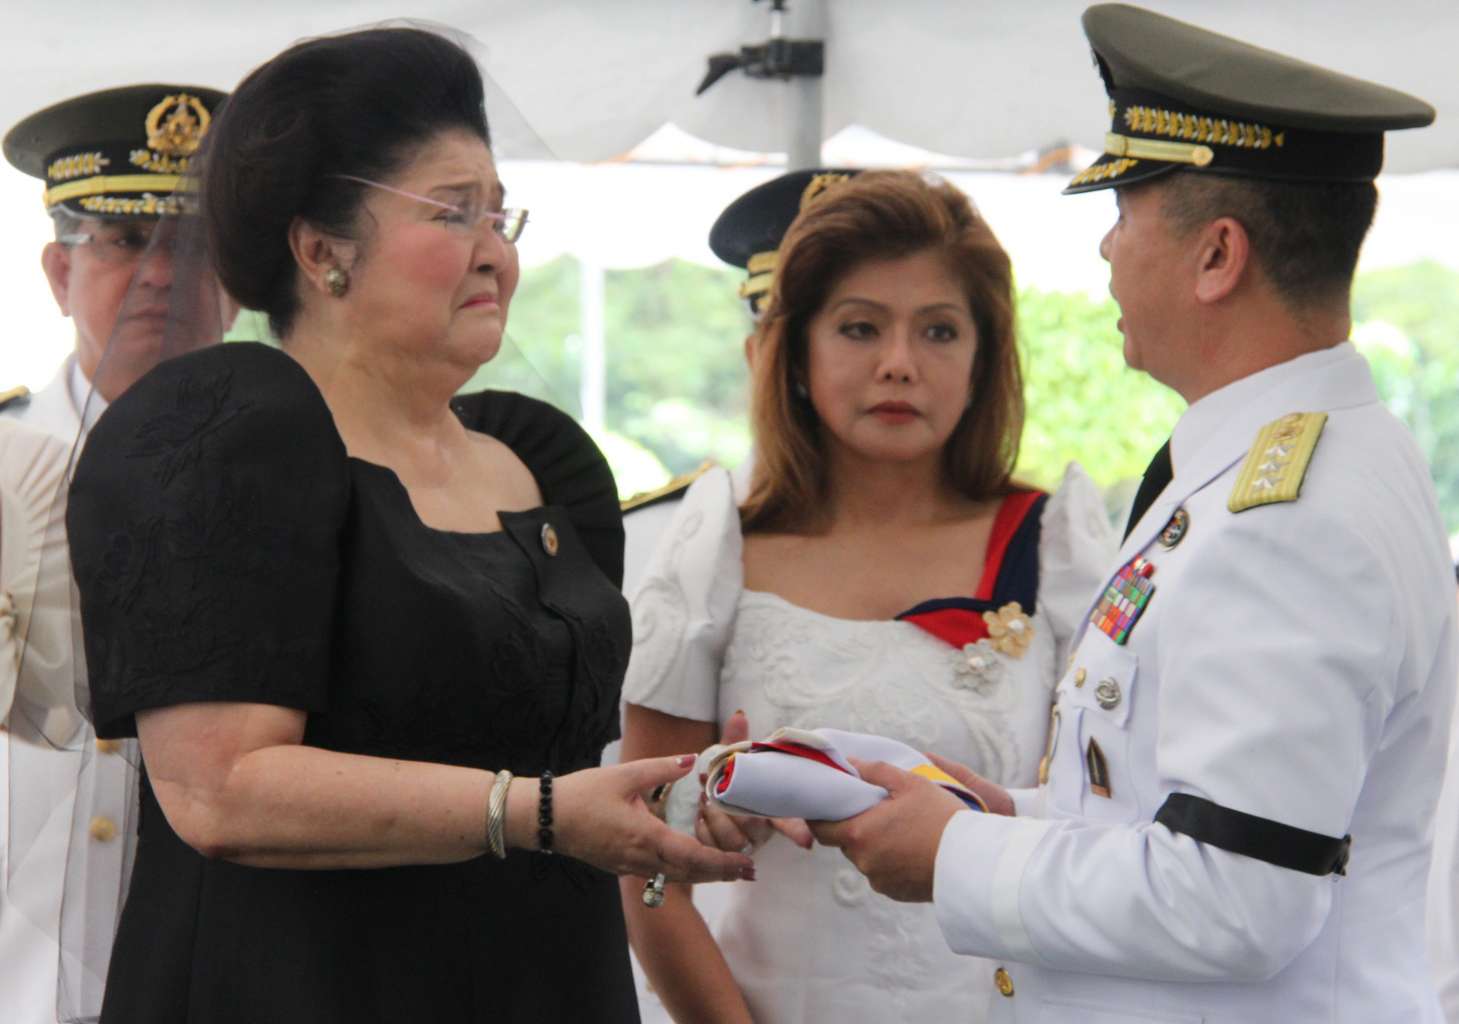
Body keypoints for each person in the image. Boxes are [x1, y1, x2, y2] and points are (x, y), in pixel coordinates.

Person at [63, 27, 752, 1024]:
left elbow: (556, 760)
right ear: (320, 249)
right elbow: (218, 791)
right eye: (451, 210)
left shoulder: (537, 462)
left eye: (500, 212)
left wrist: (668, 797)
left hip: (542, 980)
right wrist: (541, 814)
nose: (496, 252)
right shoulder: (223, 437)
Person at [812, 5, 1455, 1022]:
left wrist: (956, 854)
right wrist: (991, 812)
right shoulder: (1275, 465)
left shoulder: (1289, 514)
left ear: (1217, 256)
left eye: (1122, 210)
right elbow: (1166, 812)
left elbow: (1238, 898)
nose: (1106, 252)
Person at [618, 168, 1114, 1023]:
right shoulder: (716, 545)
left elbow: (1108, 829)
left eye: (938, 331)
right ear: (796, 353)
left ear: (983, 357)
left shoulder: (1055, 540)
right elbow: (640, 863)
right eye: (858, 328)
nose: (898, 364)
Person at [0, 83, 226, 1023]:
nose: (162, 274)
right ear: (59, 273)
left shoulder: (319, 483)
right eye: (127, 240)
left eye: (194, 245)